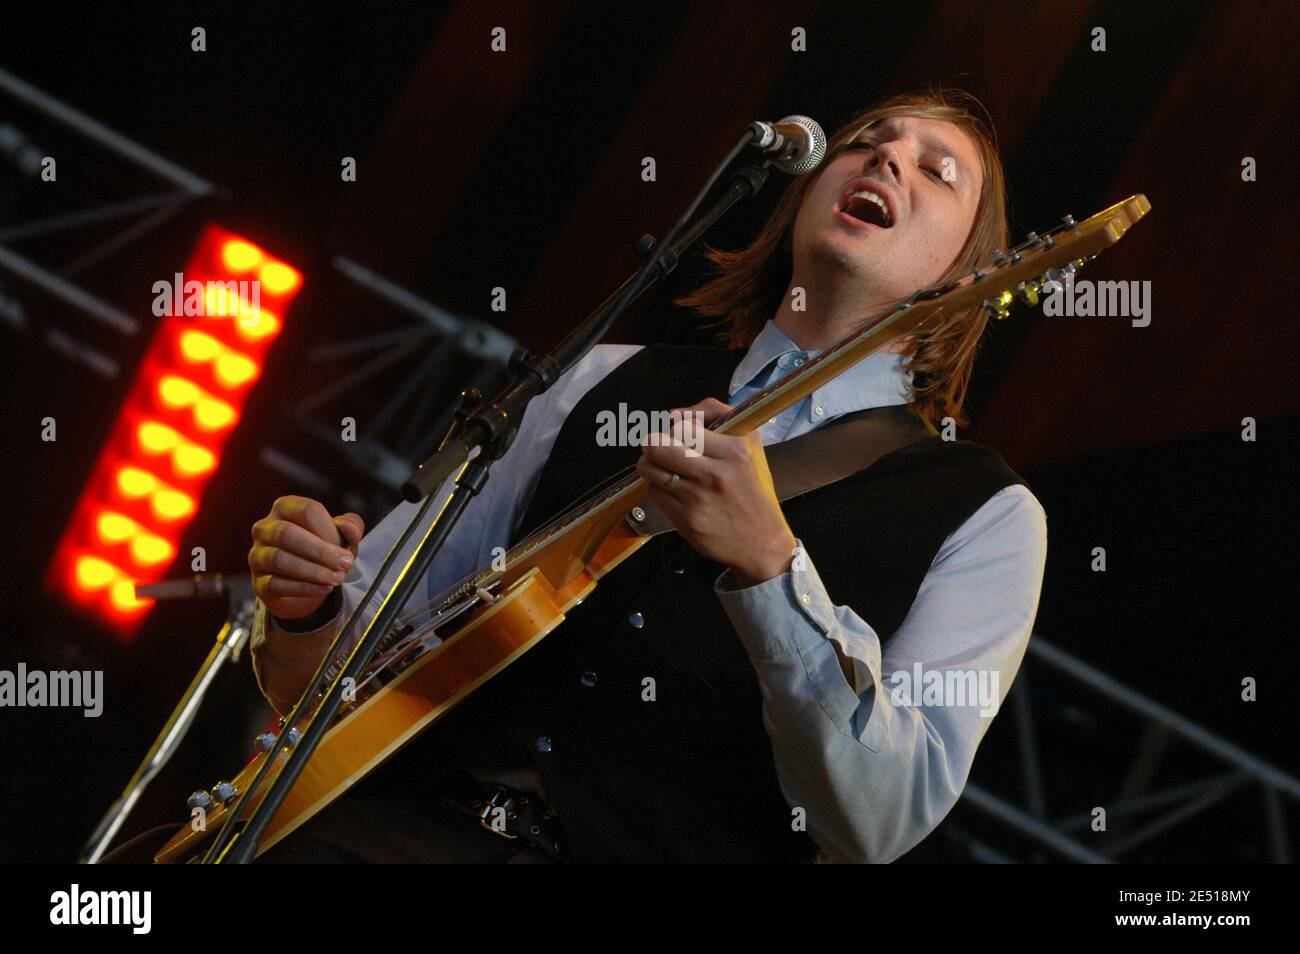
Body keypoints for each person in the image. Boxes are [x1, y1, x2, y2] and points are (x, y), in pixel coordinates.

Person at [109, 88, 1047, 864]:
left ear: (966, 276)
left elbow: (882, 821)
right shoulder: (605, 377)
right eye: (867, 143)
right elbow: (343, 664)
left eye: (937, 170)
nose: (887, 161)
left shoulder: (987, 514)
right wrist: (310, 606)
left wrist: (771, 570)